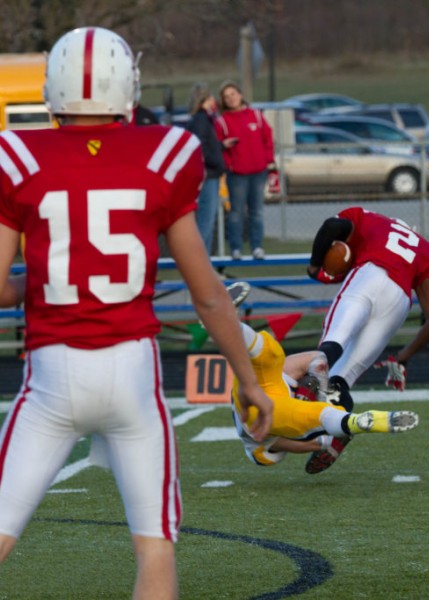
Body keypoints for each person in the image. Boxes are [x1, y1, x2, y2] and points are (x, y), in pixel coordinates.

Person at [0, 27, 273, 600]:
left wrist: (40, 283)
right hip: (132, 375)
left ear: (52, 89)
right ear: (129, 87)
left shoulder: (17, 156)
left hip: (51, 377)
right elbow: (208, 295)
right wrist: (249, 381)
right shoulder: (165, 153)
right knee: (154, 549)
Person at [228, 299, 420, 475]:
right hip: (266, 394)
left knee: (272, 356)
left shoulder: (261, 449)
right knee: (271, 353)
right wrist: (317, 398)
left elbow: (319, 441)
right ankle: (233, 323)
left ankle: (352, 422)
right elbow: (318, 361)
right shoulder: (263, 446)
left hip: (260, 406)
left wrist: (318, 400)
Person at [306, 207, 429, 415]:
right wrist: (402, 357)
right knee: (340, 382)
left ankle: (300, 389)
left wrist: (314, 266)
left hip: (369, 274)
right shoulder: (425, 250)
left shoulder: (368, 220)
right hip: (398, 301)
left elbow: (331, 226)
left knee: (332, 345)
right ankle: (333, 433)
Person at [214, 81, 275, 259]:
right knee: (236, 213)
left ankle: (257, 247)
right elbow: (218, 147)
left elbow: (267, 138)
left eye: (233, 94)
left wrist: (268, 161)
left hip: (258, 172)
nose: (231, 99)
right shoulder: (222, 121)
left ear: (240, 95)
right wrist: (230, 164)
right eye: (226, 97)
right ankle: (236, 248)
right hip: (237, 175)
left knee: (257, 212)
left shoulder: (256, 115)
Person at [186, 83, 226, 254]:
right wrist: (217, 162)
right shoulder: (202, 119)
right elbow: (200, 147)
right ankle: (201, 261)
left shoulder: (203, 119)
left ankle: (206, 259)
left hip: (210, 174)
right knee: (206, 222)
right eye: (210, 97)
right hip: (208, 175)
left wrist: (220, 146)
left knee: (208, 222)